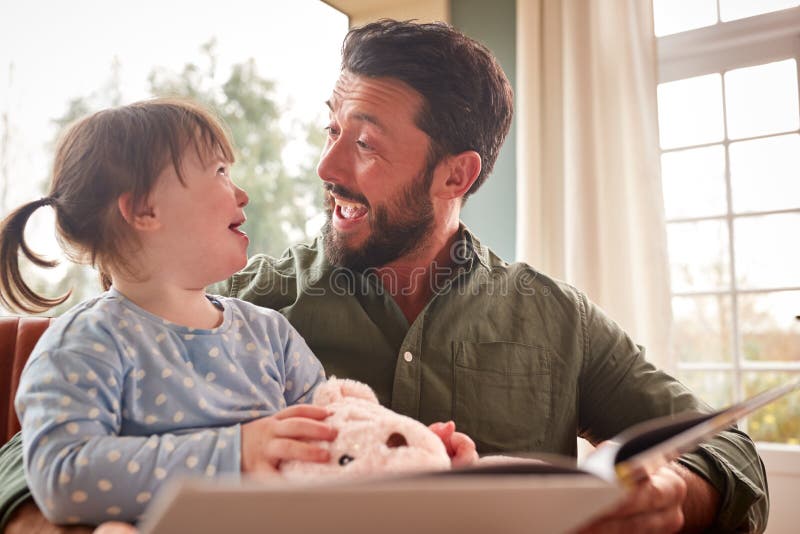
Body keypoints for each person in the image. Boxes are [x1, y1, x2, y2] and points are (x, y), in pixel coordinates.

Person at [0, 19, 767, 534]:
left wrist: (673, 496)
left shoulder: (557, 319)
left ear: (453, 175)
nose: (327, 166)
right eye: (331, 131)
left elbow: (732, 458)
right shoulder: (233, 306)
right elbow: (27, 464)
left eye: (363, 143)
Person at [0, 98, 475, 528]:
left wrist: (409, 454)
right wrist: (236, 452)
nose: (241, 193)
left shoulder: (268, 332)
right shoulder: (83, 344)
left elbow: (333, 433)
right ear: (144, 209)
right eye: (220, 171)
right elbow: (62, 475)